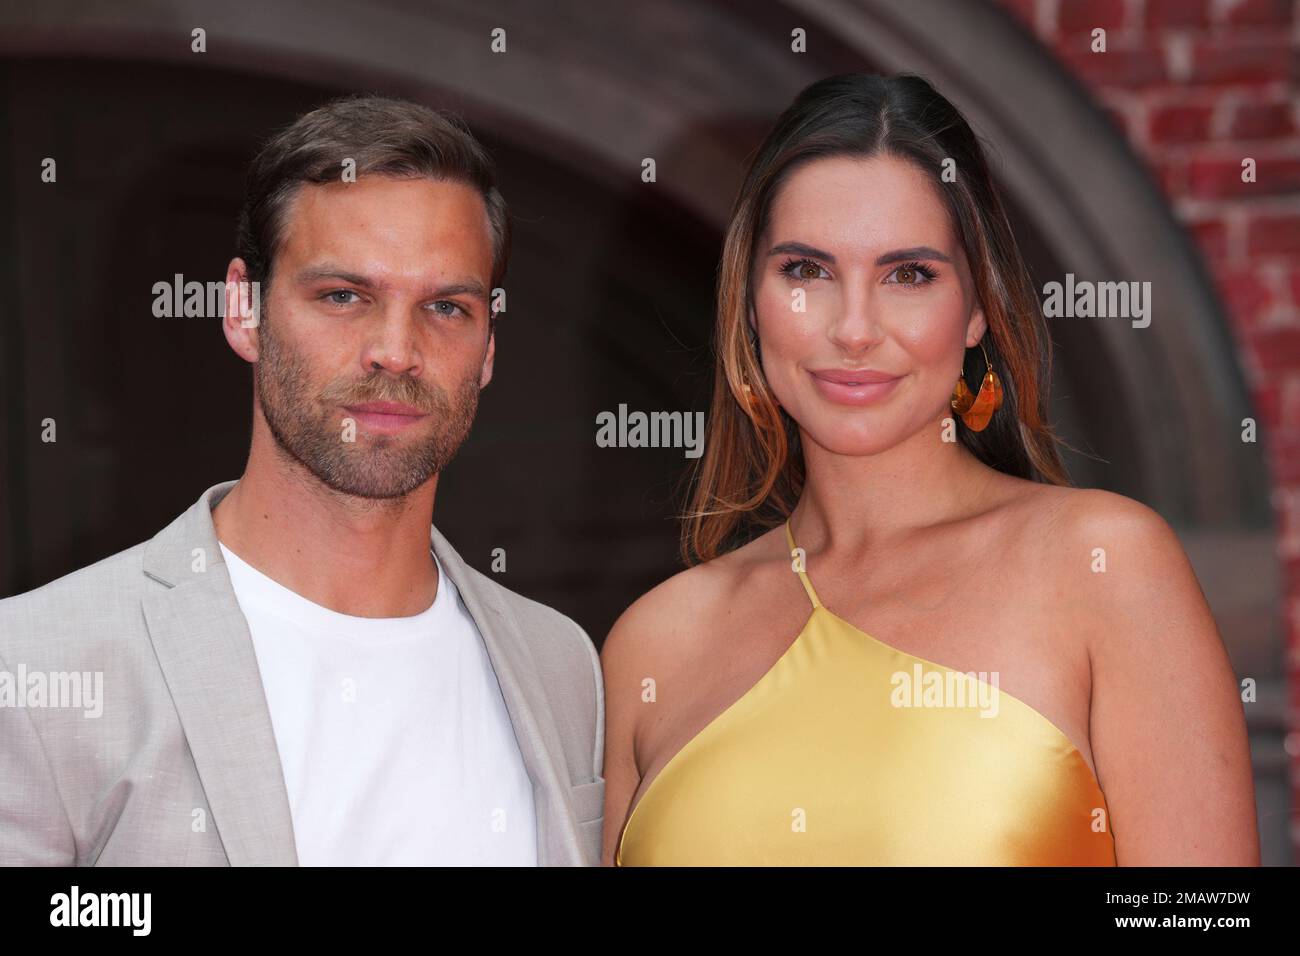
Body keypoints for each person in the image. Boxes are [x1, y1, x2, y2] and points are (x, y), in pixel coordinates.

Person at [600, 73, 1258, 866]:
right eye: (806, 271)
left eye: (907, 275)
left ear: (978, 305)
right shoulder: (654, 643)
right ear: (750, 298)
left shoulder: (1104, 566)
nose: (853, 328)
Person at [0, 95, 604, 866]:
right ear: (243, 311)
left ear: (487, 349)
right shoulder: (41, 669)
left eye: (446, 307)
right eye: (344, 297)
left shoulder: (563, 667)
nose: (395, 350)